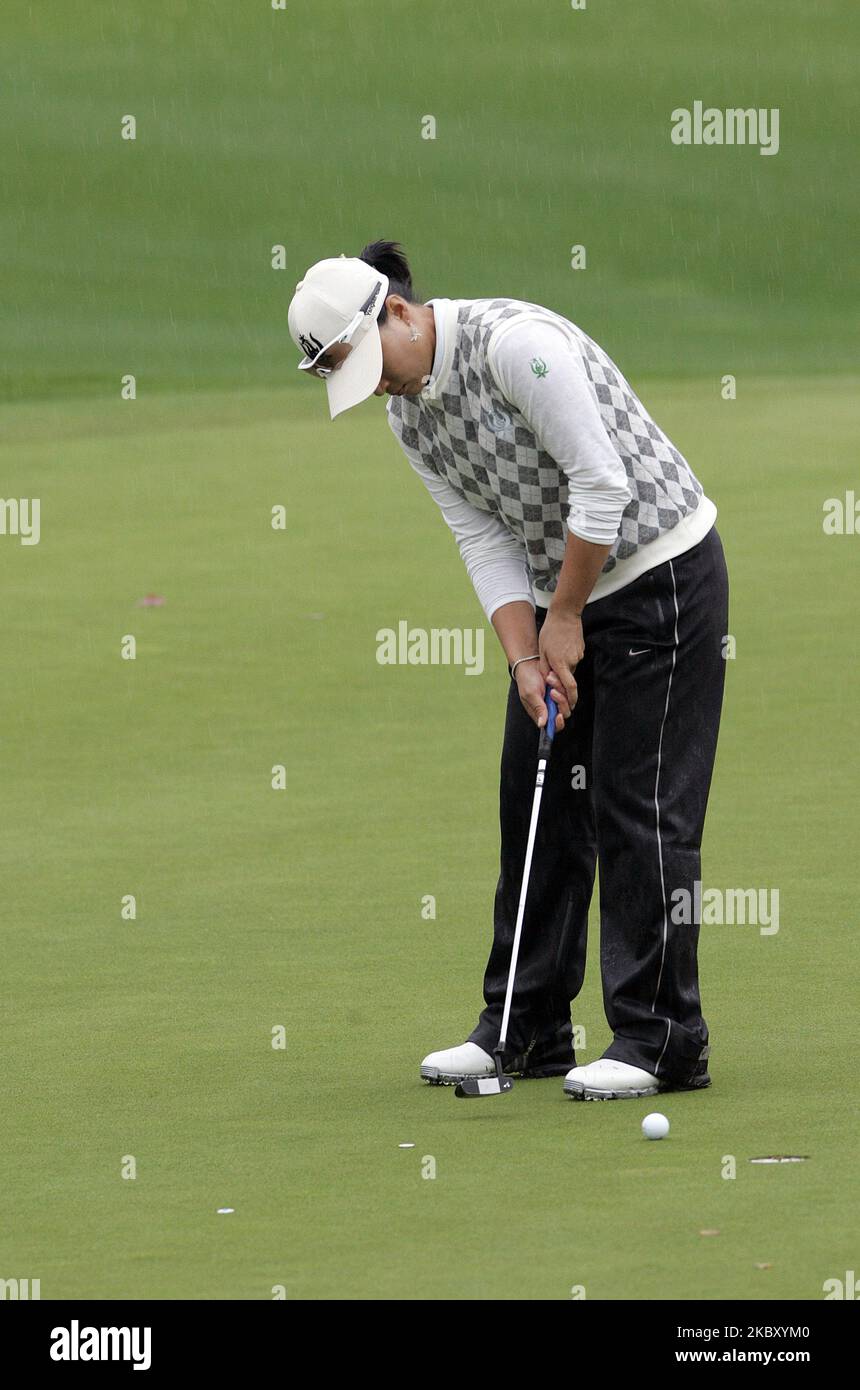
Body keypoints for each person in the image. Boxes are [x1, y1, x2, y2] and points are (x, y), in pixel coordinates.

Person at [287, 240, 729, 1100]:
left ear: (401, 314)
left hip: (660, 576)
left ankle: (661, 1038)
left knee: (638, 807)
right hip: (564, 592)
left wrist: (565, 616)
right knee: (537, 802)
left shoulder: (516, 347)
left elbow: (601, 485)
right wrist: (526, 654)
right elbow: (482, 536)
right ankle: (527, 1029)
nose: (377, 384)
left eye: (372, 362)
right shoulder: (408, 410)